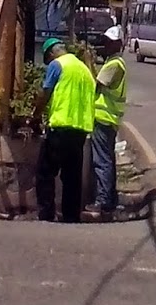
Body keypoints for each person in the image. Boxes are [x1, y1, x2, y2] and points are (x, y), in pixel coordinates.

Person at [33, 35, 96, 223]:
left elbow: (46, 92)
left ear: (52, 53)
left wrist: (36, 114)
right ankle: (71, 216)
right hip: (80, 131)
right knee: (72, 177)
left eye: (47, 58)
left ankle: (46, 214)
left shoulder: (58, 65)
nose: (48, 62)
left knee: (45, 173)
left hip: (60, 128)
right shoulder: (83, 69)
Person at [90, 25, 128, 220]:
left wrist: (88, 64)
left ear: (118, 44)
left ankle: (103, 201)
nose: (105, 45)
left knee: (102, 162)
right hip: (109, 119)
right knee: (108, 161)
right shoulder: (114, 63)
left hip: (103, 119)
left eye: (110, 42)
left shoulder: (114, 64)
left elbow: (97, 84)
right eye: (105, 42)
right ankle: (110, 200)